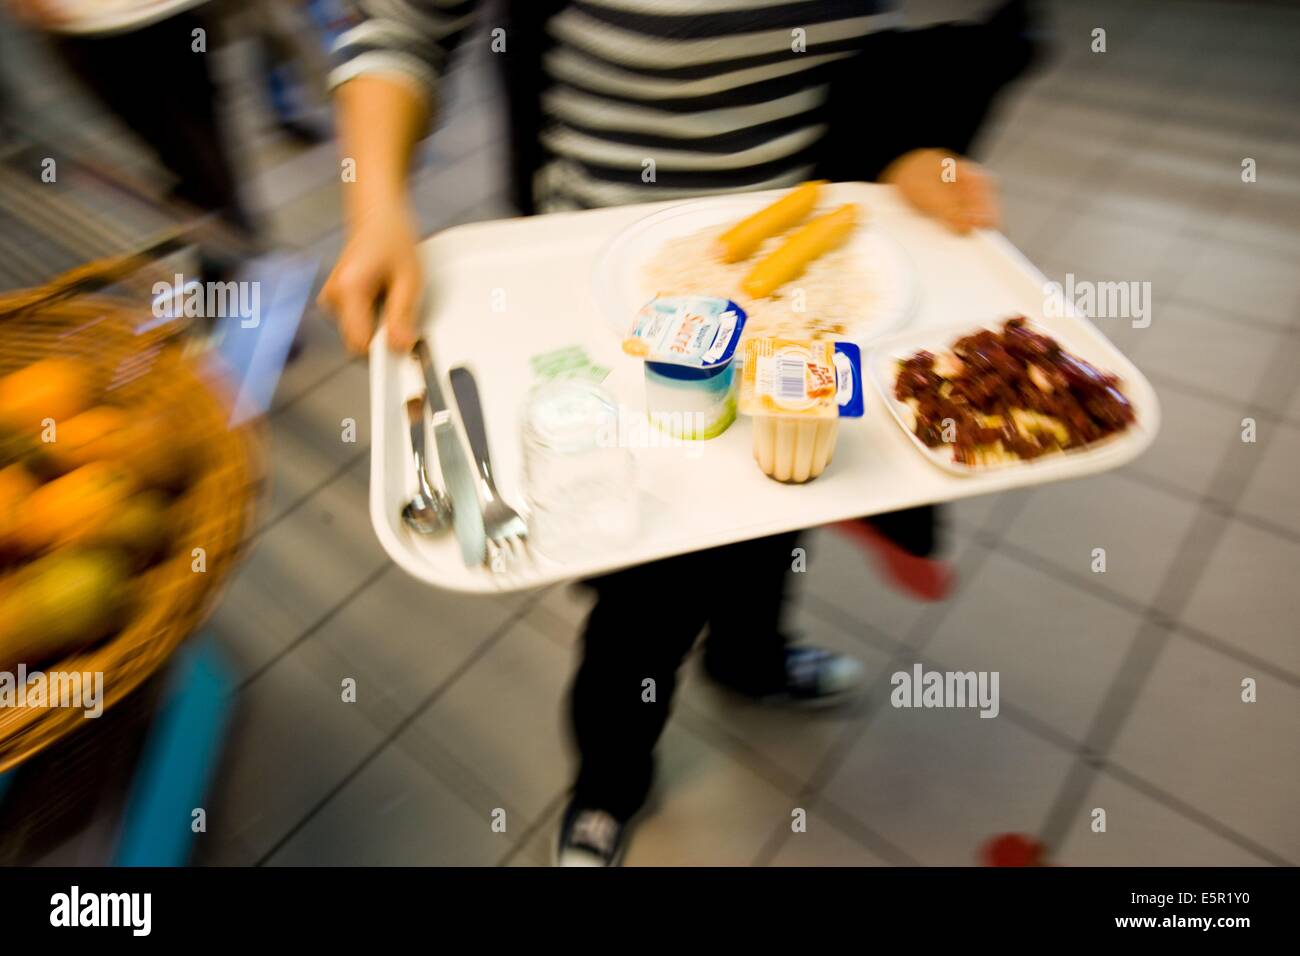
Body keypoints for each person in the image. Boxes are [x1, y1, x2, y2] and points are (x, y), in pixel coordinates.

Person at [319, 0, 1028, 866]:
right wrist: (375, 208)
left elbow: (940, 36)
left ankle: (750, 659)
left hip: (801, 294)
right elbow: (400, 27)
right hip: (607, 307)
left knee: (779, 513)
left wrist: (913, 149)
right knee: (646, 594)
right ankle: (610, 781)